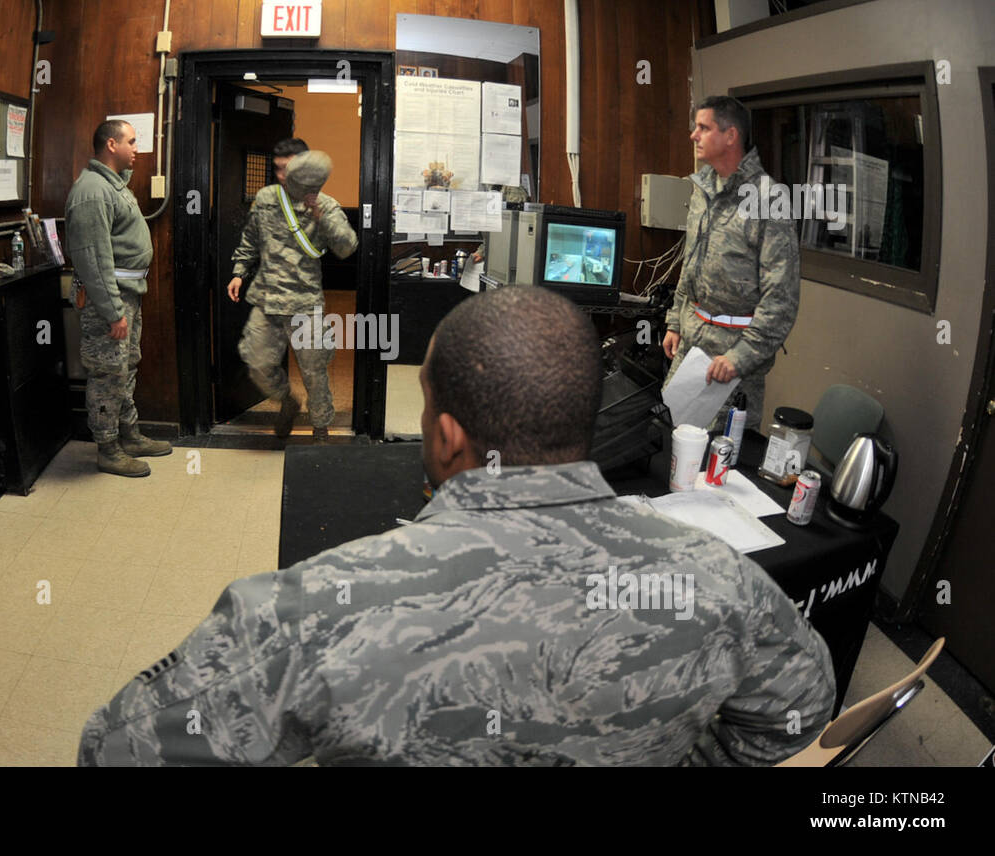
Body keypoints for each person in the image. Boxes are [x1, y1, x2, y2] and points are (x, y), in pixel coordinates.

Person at [79, 286, 835, 766]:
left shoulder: (308, 613)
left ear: (445, 437)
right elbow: (798, 713)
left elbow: (114, 749)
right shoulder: (721, 581)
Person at [662, 95, 800, 430]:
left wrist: (740, 358)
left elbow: (781, 300)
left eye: (703, 127)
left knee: (716, 454)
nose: (694, 135)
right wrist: (675, 321)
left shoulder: (768, 199)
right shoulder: (703, 190)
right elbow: (691, 261)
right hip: (690, 347)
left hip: (730, 360)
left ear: (730, 136)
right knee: (667, 436)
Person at [227, 141, 357, 442]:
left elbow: (346, 247)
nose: (282, 175)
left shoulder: (325, 204)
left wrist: (319, 215)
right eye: (278, 169)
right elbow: (251, 238)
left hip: (304, 303)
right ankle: (287, 400)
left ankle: (320, 426)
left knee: (314, 371)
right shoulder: (266, 198)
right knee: (257, 362)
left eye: (289, 169)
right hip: (267, 298)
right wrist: (239, 271)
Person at [65, 119, 171, 477]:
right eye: (132, 141)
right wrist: (112, 312)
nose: (137, 148)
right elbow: (92, 260)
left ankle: (130, 435)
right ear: (111, 144)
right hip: (108, 303)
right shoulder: (92, 191)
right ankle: (108, 449)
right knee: (107, 373)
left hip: (127, 297)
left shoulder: (113, 184)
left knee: (125, 367)